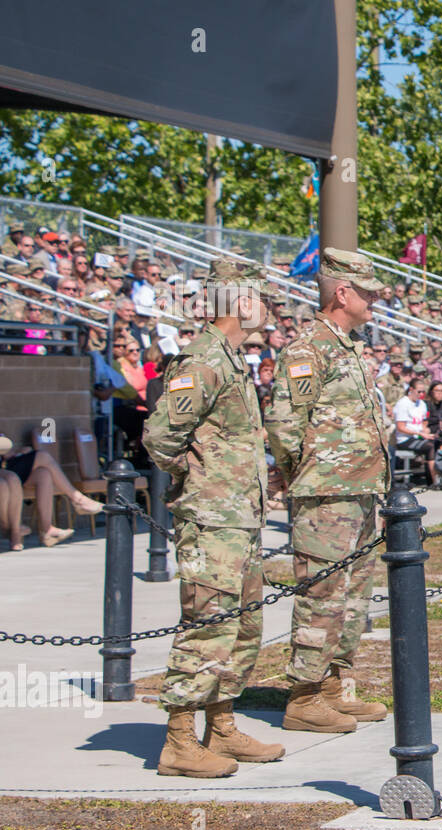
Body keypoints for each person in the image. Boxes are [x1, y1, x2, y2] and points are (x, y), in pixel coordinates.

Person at [141, 258, 283, 778]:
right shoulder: (202, 360)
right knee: (208, 623)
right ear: (243, 303)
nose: (269, 308)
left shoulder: (230, 358)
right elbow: (159, 438)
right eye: (263, 297)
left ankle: (219, 725)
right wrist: (199, 478)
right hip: (212, 519)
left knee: (242, 625)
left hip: (239, 518)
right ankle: (179, 740)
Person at [265, 248, 390, 733]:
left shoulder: (344, 346)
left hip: (357, 491)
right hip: (325, 496)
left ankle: (335, 687)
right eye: (368, 292)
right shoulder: (307, 349)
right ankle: (303, 696)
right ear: (343, 293)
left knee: (353, 596)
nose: (375, 300)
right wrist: (303, 472)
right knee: (322, 593)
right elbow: (283, 423)